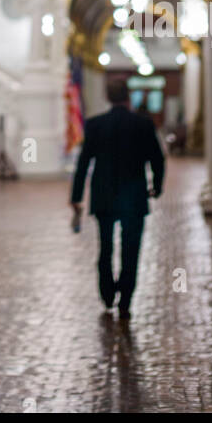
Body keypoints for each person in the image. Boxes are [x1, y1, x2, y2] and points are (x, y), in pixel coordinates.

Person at [70, 76, 165, 320]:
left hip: (104, 195)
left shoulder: (94, 125)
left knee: (105, 247)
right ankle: (125, 298)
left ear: (108, 97)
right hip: (134, 196)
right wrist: (157, 185)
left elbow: (83, 164)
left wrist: (76, 196)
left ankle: (107, 292)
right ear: (127, 97)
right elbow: (157, 158)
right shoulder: (143, 124)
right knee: (131, 249)